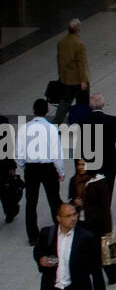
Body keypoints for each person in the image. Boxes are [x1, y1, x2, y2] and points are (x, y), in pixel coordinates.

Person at [34, 203, 105, 290]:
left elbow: (96, 266)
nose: (73, 218)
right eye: (68, 216)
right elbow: (38, 251)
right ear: (58, 218)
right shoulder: (47, 234)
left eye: (74, 215)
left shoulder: (86, 237)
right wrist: (41, 259)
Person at [18, 99, 65, 246]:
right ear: (47, 111)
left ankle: (33, 236)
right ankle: (60, 230)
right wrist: (61, 171)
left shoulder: (24, 128)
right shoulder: (51, 128)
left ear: (33, 111)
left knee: (31, 202)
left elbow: (18, 153)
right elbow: (57, 152)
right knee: (54, 200)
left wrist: (24, 166)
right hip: (48, 167)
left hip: (31, 168)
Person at [68, 158, 116, 284]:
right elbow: (71, 200)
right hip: (82, 223)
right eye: (79, 164)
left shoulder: (99, 182)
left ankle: (111, 271)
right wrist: (74, 202)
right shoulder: (75, 181)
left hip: (97, 223)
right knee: (87, 251)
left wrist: (108, 230)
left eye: (83, 164)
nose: (81, 167)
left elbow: (105, 208)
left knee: (101, 252)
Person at [55, 19, 90, 121]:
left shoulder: (61, 42)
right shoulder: (79, 44)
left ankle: (57, 122)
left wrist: (61, 74)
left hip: (66, 78)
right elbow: (81, 63)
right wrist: (83, 80)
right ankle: (81, 124)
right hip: (78, 80)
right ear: (78, 29)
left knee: (65, 101)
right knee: (82, 104)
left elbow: (59, 59)